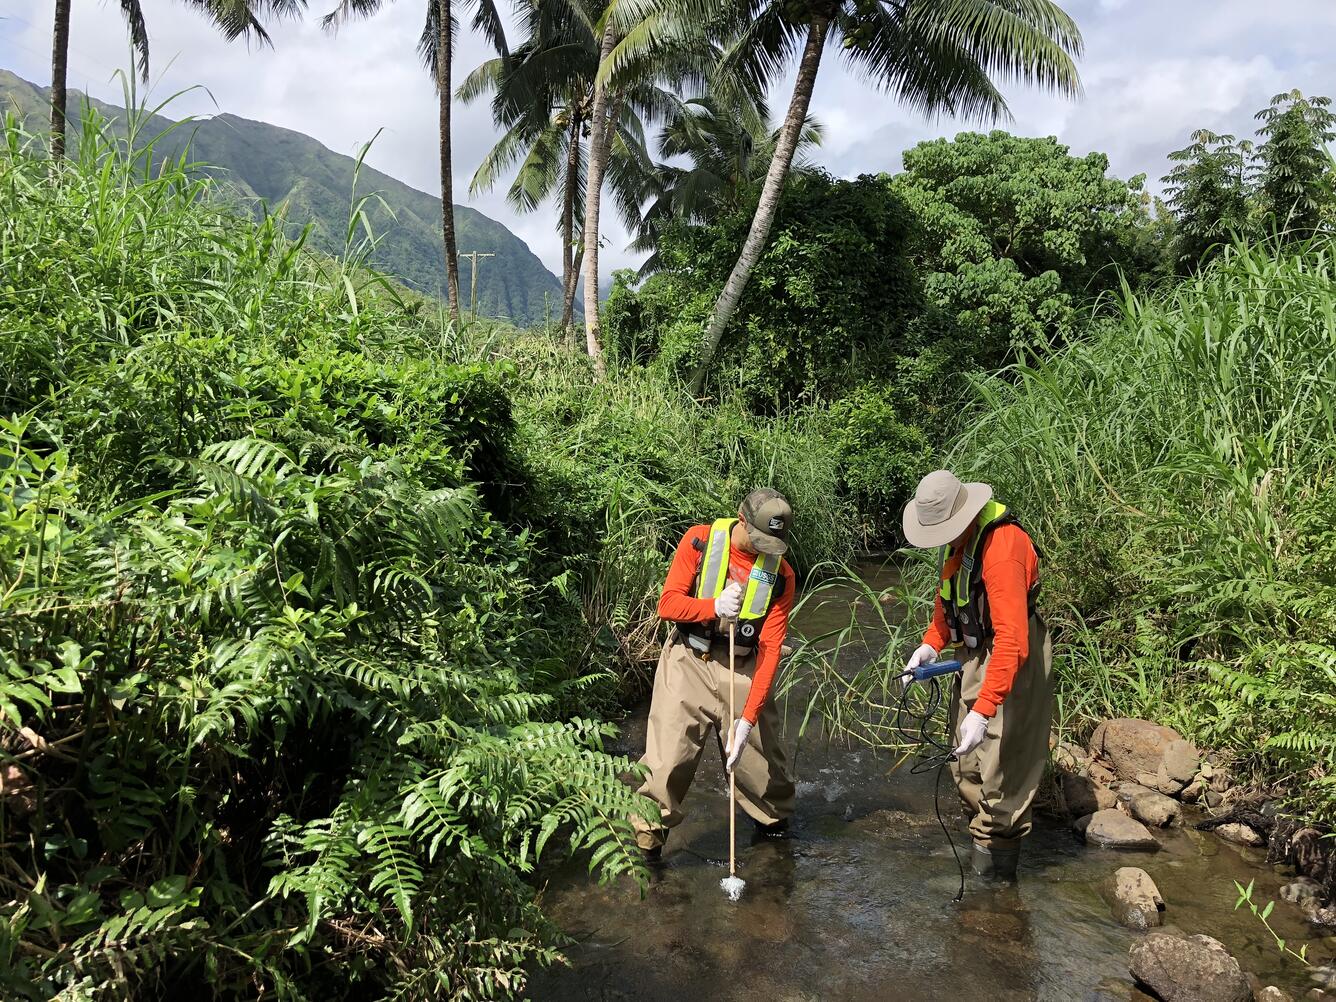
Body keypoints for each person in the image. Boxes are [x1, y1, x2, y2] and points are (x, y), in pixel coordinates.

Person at [901, 469, 1053, 881]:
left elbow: (1013, 640)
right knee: (964, 763)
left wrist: (984, 709)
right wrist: (930, 644)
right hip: (974, 653)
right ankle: (979, 843)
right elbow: (947, 603)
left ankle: (995, 888)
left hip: (1010, 657)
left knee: (1001, 769)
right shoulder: (961, 542)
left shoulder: (1003, 548)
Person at [632, 488, 798, 860]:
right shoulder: (699, 542)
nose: (762, 549)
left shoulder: (782, 577)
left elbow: (770, 652)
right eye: (757, 539)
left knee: (762, 768)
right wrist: (713, 605)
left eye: (771, 543)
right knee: (666, 762)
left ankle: (775, 839)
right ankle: (649, 848)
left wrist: (747, 721)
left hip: (743, 666)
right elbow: (667, 603)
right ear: (741, 520)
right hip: (688, 660)